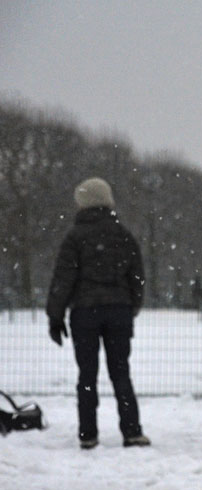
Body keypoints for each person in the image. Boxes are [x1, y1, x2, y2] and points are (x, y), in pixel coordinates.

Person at [46, 177, 149, 450]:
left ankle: (88, 434)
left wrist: (55, 316)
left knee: (87, 375)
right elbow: (137, 276)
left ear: (81, 203)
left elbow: (63, 280)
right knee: (121, 373)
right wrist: (131, 306)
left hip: (85, 313)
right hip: (118, 311)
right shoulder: (123, 235)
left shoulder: (75, 237)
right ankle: (132, 431)